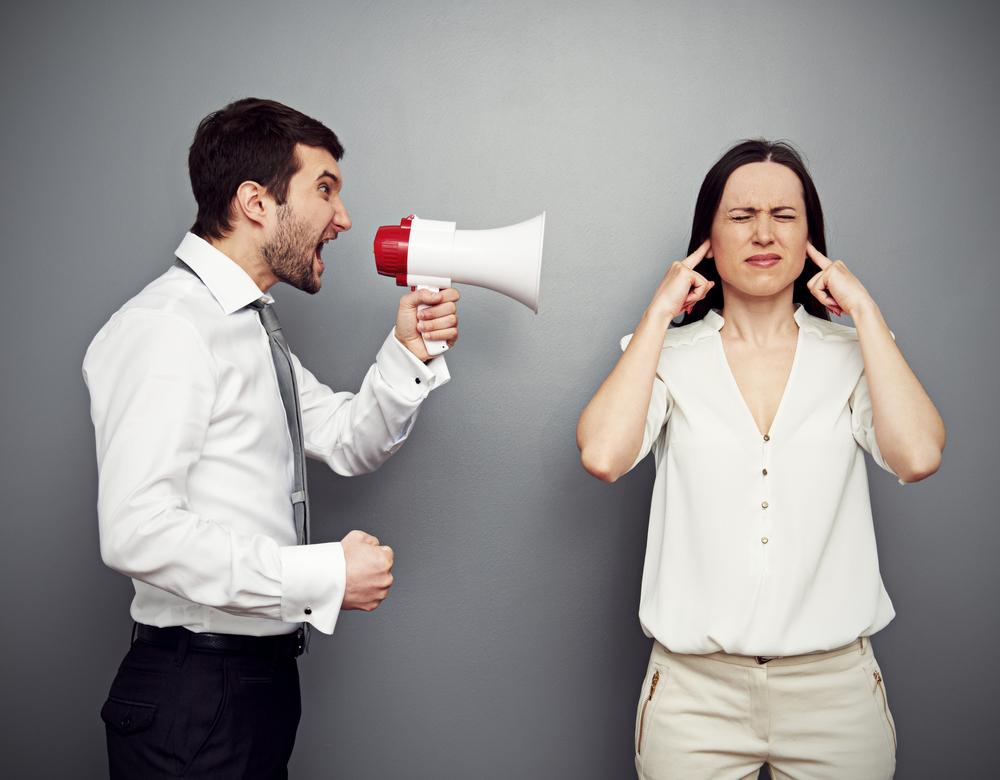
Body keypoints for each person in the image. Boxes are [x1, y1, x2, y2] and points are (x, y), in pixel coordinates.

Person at [83, 98, 460, 779]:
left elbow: (349, 440)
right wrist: (323, 574)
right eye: (325, 189)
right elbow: (135, 531)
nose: (343, 219)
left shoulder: (248, 328)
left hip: (249, 688)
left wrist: (410, 351)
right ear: (255, 201)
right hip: (193, 692)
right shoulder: (170, 327)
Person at [576, 139, 945, 780]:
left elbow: (917, 456)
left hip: (836, 690)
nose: (764, 233)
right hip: (694, 696)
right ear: (708, 241)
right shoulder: (664, 353)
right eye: (741, 216)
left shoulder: (855, 352)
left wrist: (865, 312)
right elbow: (604, 455)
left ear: (811, 239)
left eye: (785, 215)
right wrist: (659, 314)